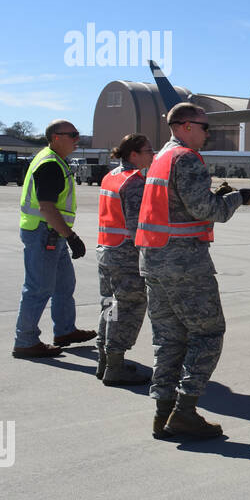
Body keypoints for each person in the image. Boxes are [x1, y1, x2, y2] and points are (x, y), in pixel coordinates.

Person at [136, 103, 250, 440]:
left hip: (154, 260)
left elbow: (180, 204)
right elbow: (207, 210)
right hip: (184, 262)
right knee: (207, 334)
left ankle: (163, 413)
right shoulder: (187, 158)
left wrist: (215, 195)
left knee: (168, 339)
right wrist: (237, 198)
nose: (209, 133)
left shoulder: (161, 157)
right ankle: (185, 411)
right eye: (206, 127)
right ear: (186, 126)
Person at [13, 120, 94, 359]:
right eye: (73, 135)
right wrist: (71, 236)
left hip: (52, 233)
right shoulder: (50, 164)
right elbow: (47, 207)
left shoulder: (55, 160)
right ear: (56, 137)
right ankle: (25, 340)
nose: (77, 140)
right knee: (38, 288)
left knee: (64, 285)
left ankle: (65, 331)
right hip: (44, 233)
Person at [95, 134, 155, 386]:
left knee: (109, 305)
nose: (152, 155)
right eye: (147, 151)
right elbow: (137, 226)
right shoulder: (135, 182)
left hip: (106, 250)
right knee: (127, 308)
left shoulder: (111, 176)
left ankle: (103, 360)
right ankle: (116, 366)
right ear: (133, 155)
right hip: (126, 255)